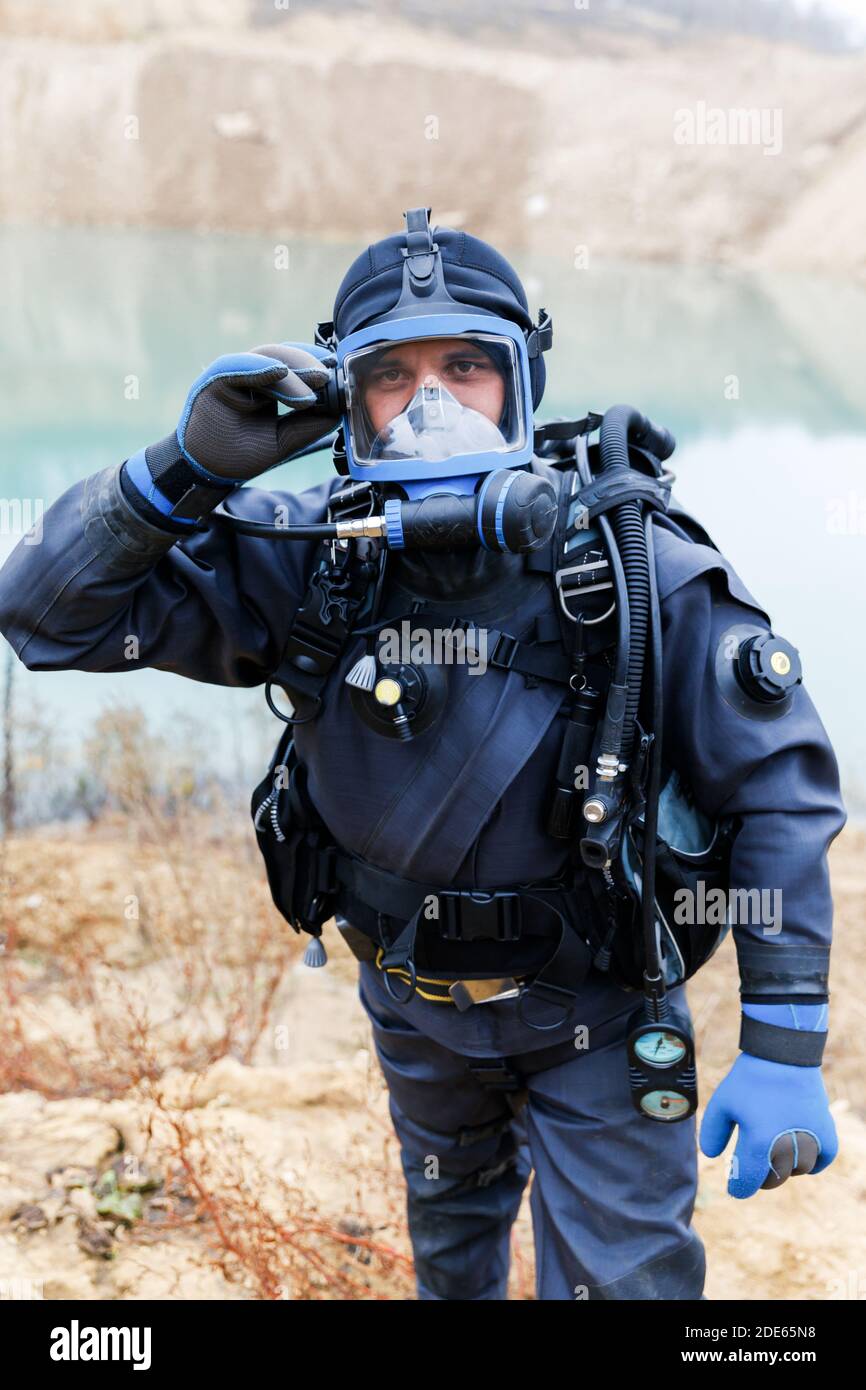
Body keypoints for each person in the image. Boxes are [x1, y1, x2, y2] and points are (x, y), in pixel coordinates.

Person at [0, 209, 846, 1301]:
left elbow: (778, 792)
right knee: (449, 1256)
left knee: (625, 1284)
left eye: (464, 368)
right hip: (411, 1008)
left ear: (520, 384)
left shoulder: (634, 575)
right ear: (344, 402)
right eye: (391, 378)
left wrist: (784, 1040)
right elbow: (44, 614)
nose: (431, 405)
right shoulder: (302, 559)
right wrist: (182, 470)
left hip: (598, 1012)